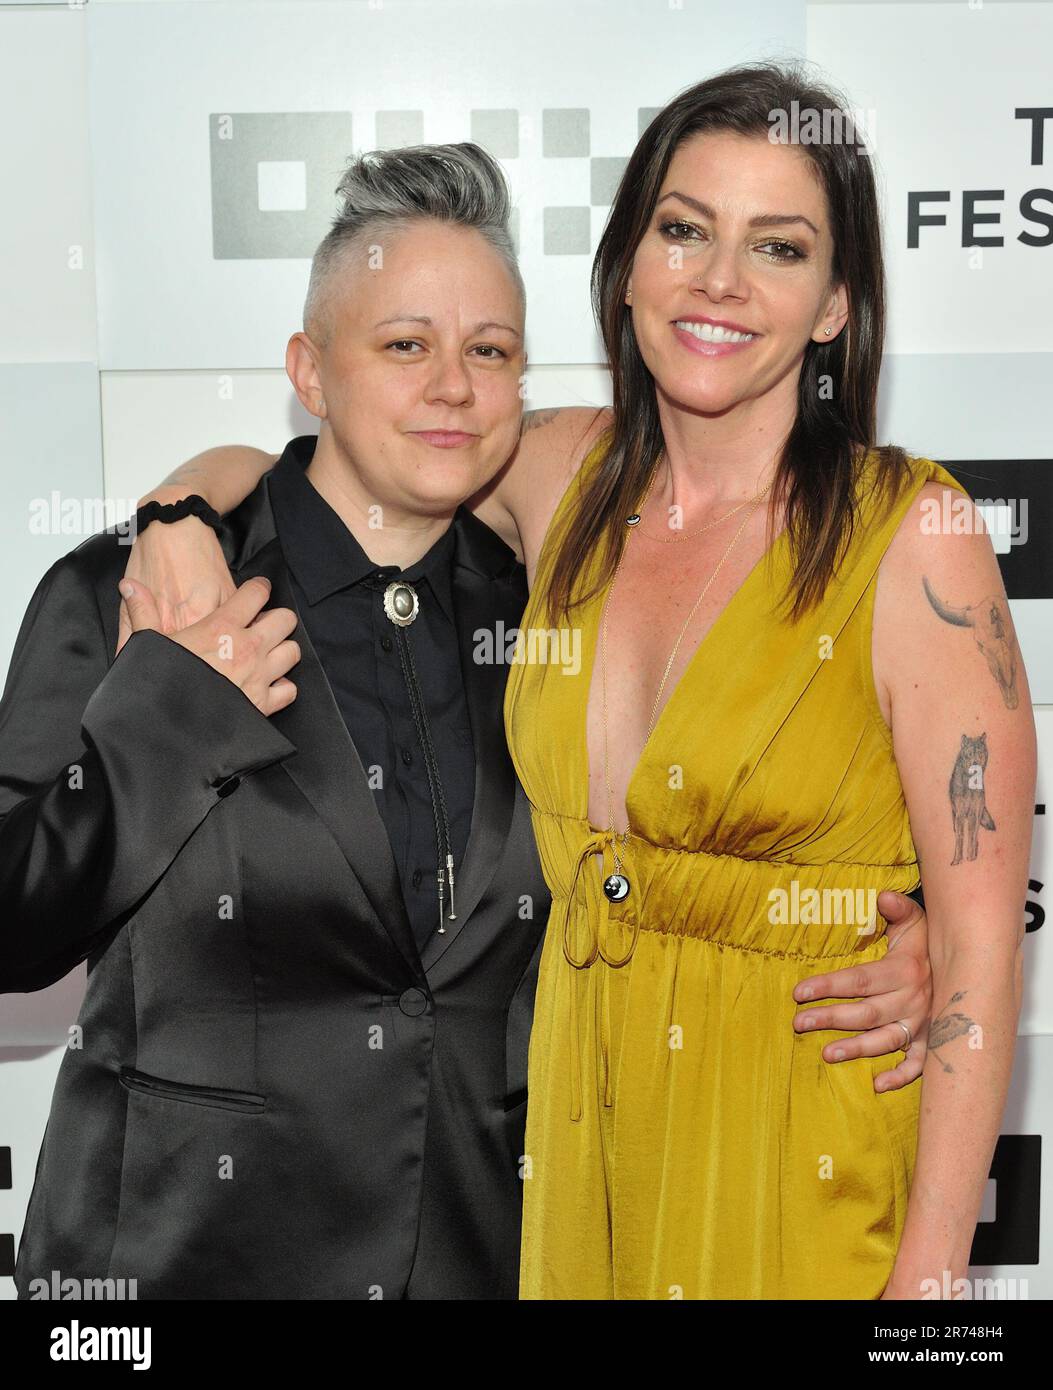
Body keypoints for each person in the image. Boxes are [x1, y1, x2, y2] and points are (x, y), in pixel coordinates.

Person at [114, 67, 971, 1299]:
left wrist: (934, 1284)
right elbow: (350, 438)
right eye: (685, 230)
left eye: (777, 246)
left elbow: (983, 925)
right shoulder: (560, 471)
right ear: (628, 265)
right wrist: (180, 507)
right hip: (580, 1128)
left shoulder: (914, 530)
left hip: (803, 1121)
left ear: (836, 301)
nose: (720, 280)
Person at [1, 144, 549, 1299]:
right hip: (172, 1267)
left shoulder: (552, 628)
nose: (453, 384)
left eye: (489, 352)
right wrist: (171, 709)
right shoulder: (131, 594)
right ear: (310, 369)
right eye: (405, 344)